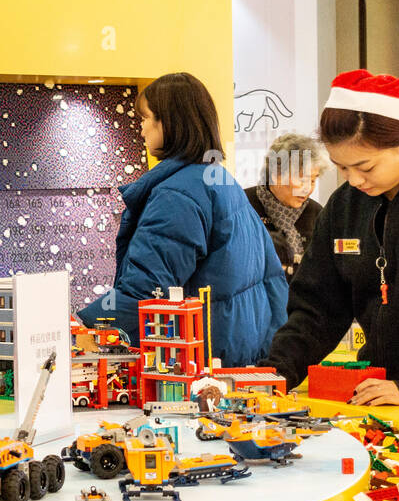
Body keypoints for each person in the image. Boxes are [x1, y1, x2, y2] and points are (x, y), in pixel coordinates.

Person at [265, 70, 399, 406]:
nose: (354, 180)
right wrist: (275, 374)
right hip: (383, 391)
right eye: (342, 168)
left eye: (366, 167)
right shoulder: (345, 206)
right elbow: (317, 306)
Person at [76, 72, 288, 367]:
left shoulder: (178, 194)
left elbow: (148, 292)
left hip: (193, 361)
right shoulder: (221, 180)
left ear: (169, 122)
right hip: (238, 355)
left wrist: (80, 327)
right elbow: (270, 279)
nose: (141, 128)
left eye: (146, 118)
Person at [245, 132, 329, 280]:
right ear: (275, 174)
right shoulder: (244, 205)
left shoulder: (316, 213)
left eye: (313, 180)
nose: (307, 188)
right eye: (301, 179)